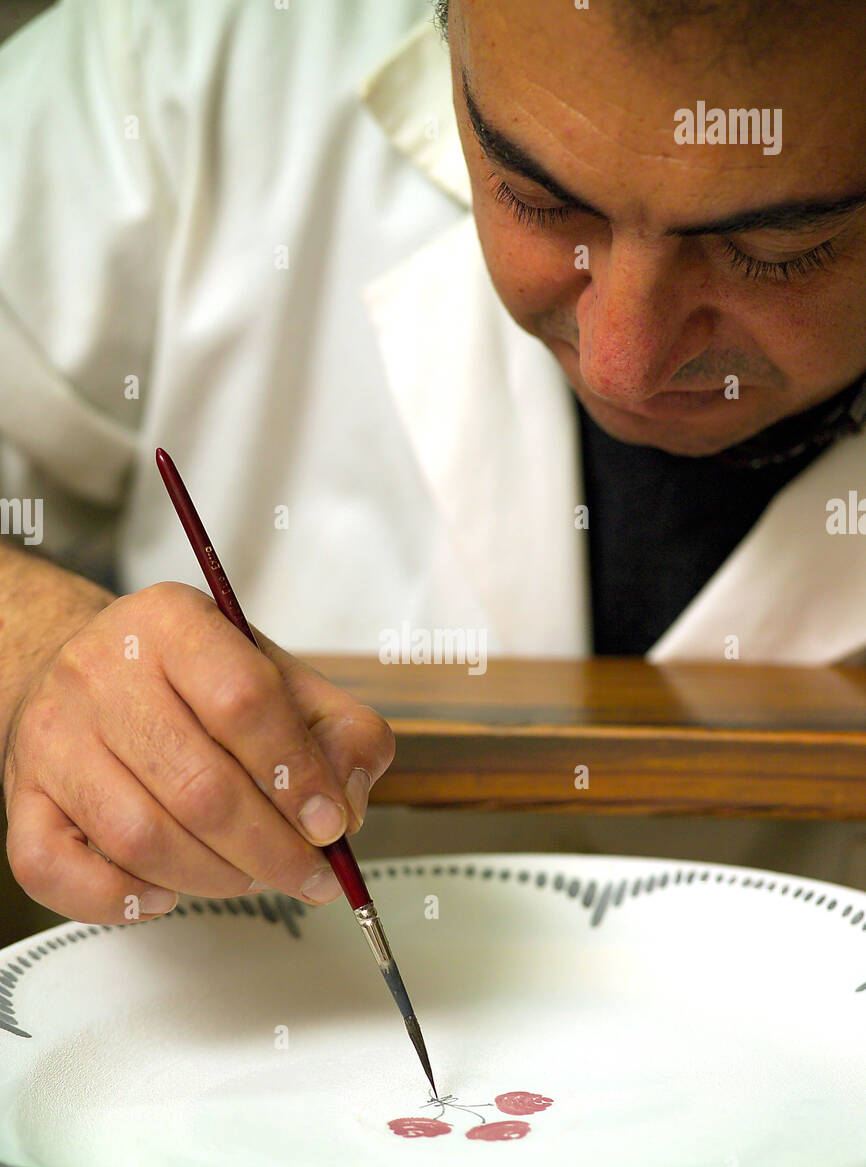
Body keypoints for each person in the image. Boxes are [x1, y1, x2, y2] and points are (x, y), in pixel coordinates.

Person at [0, 0, 865, 935]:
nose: (624, 363)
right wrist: (32, 650)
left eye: (778, 249)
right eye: (535, 197)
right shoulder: (172, 65)